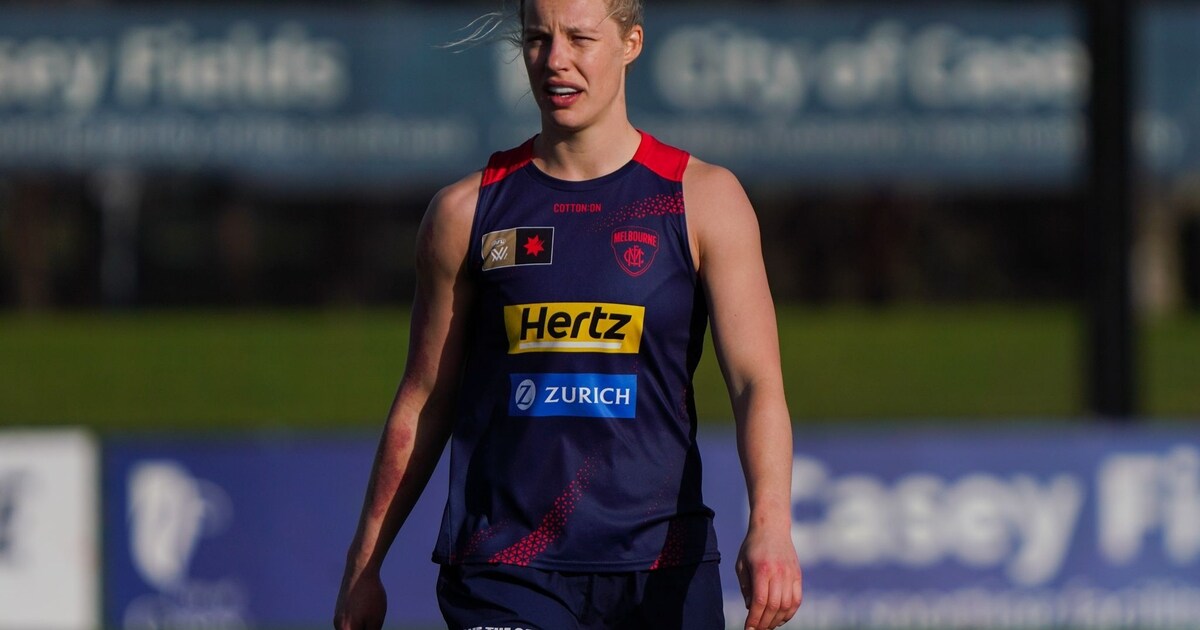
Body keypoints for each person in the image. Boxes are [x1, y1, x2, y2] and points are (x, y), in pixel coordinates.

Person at [333, 0, 802, 627]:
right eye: (537, 39)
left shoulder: (704, 200)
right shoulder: (466, 213)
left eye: (580, 39)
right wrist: (365, 567)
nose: (556, 61)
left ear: (631, 42)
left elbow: (756, 383)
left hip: (660, 568)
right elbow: (423, 400)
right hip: (505, 569)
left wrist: (770, 527)